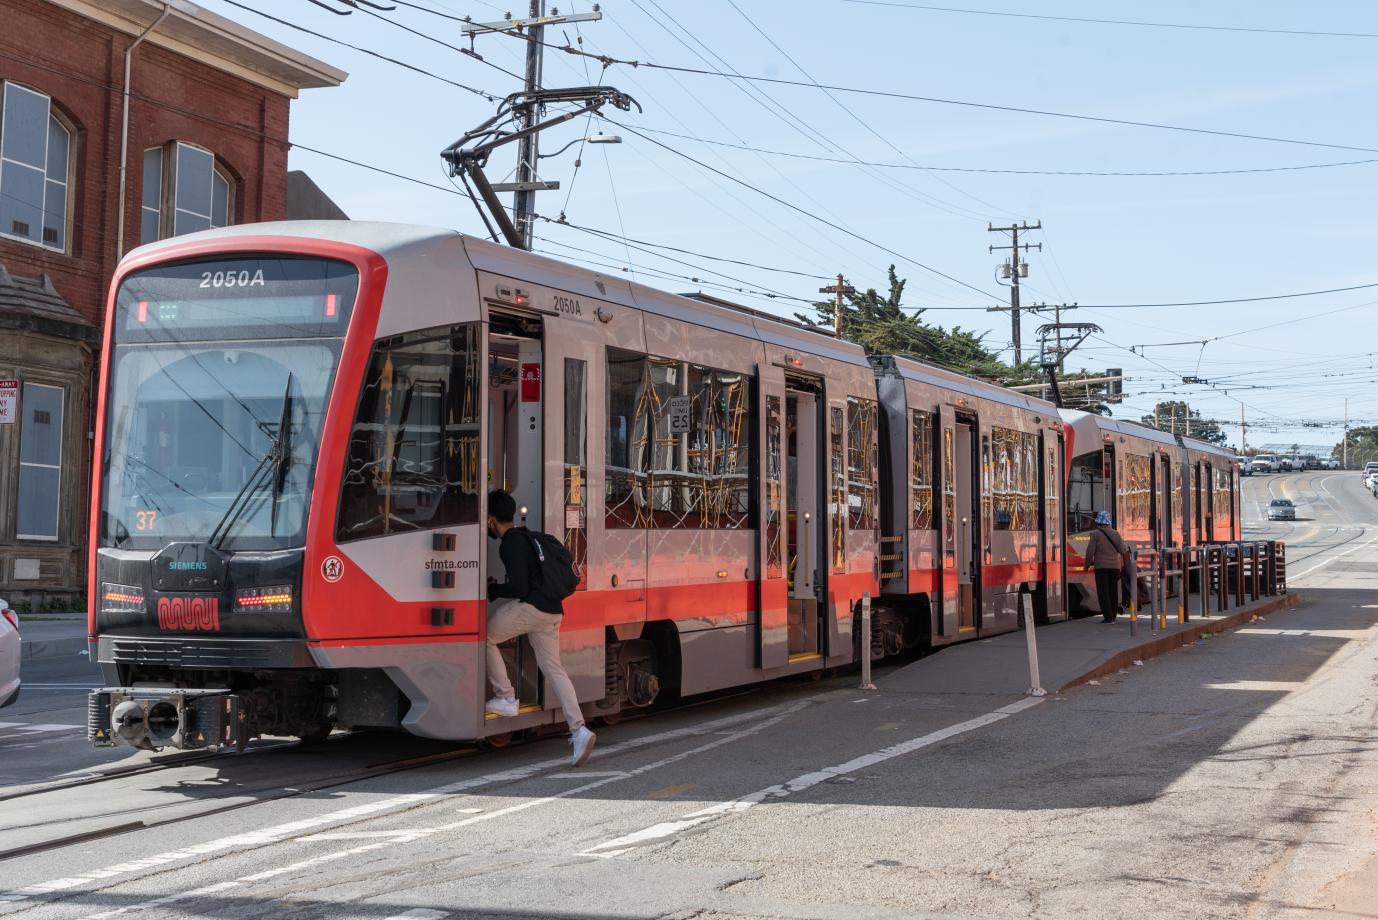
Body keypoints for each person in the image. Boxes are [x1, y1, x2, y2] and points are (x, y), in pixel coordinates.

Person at [484, 490, 596, 766]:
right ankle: (579, 730)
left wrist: (494, 589)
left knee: (485, 637)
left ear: (490, 520)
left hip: (531, 608)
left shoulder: (508, 544)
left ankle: (506, 697)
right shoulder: (528, 536)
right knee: (554, 669)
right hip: (552, 611)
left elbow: (520, 587)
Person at [1083, 510, 1129, 624]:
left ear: (1098, 522)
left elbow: (1090, 552)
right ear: (1108, 522)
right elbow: (1123, 550)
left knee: (1103, 593)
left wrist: (1086, 566)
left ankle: (1108, 617)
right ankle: (1113, 616)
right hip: (1115, 568)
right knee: (1113, 592)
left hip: (1101, 568)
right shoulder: (1115, 533)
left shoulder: (1095, 534)